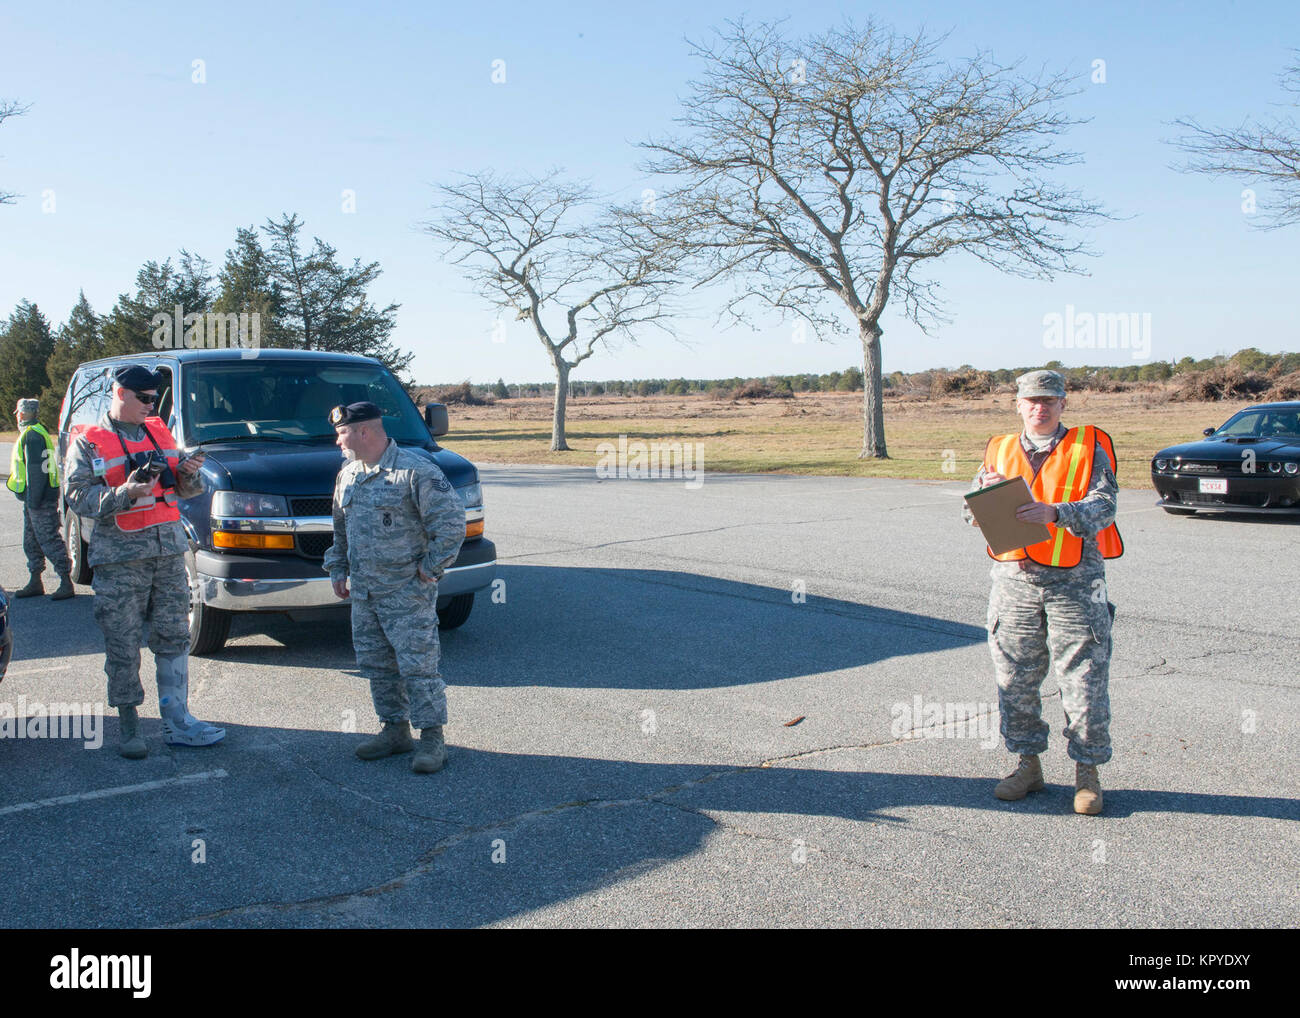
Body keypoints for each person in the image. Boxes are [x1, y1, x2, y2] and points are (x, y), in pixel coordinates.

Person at [964, 370, 1123, 815]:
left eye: (1050, 400)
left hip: (1076, 582)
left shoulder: (1088, 446)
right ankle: (1027, 764)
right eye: (1032, 400)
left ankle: (1087, 773)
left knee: (1083, 678)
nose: (1040, 407)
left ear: (1063, 405)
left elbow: (1105, 505)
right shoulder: (998, 449)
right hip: (1014, 579)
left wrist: (1055, 512)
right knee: (1015, 676)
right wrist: (979, 506)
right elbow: (970, 509)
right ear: (1018, 405)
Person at [63, 364, 225, 758]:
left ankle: (177, 720)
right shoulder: (89, 441)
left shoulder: (159, 430)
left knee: (173, 637)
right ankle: (130, 725)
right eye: (145, 398)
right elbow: (76, 498)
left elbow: (184, 492)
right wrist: (124, 493)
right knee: (122, 643)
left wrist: (188, 474)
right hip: (120, 561)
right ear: (120, 393)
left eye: (155, 398)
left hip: (168, 553)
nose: (152, 405)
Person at [323, 402, 465, 774]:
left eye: (341, 434)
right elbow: (340, 528)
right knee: (376, 664)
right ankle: (395, 730)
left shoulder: (414, 471)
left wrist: (431, 570)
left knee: (418, 667)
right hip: (365, 592)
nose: (337, 441)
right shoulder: (349, 474)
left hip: (406, 592)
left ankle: (432, 738)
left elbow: (451, 525)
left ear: (363, 432)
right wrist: (338, 565)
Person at [8, 398, 75, 600]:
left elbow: (36, 472)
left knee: (48, 539)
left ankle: (65, 581)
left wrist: (34, 501)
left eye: (18, 413)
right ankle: (35, 580)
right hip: (34, 498)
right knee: (31, 540)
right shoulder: (36, 431)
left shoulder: (31, 436)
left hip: (39, 499)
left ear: (22, 414)